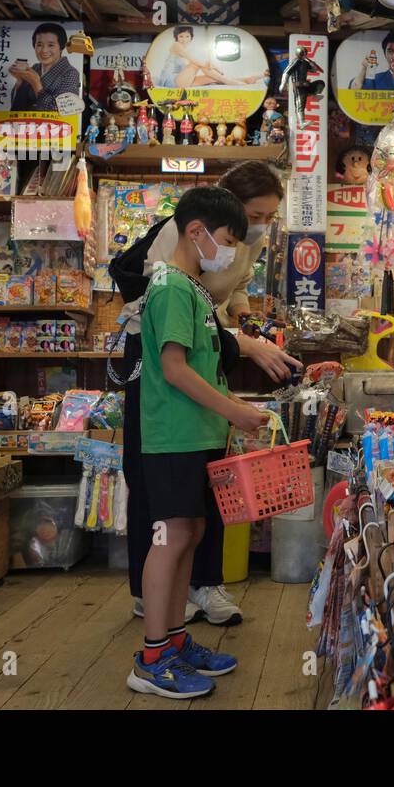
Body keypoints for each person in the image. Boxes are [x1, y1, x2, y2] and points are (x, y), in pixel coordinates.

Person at [123, 162, 302, 627]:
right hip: (169, 392)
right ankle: (157, 622)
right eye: (250, 220)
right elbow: (173, 360)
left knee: (199, 509)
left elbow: (235, 289)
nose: (255, 231)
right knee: (167, 513)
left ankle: (195, 599)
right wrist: (234, 402)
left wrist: (242, 326)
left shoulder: (218, 259)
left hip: (201, 377)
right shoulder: (172, 277)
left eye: (266, 219)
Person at [125, 187, 269, 699]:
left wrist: (229, 417)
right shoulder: (168, 287)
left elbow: (206, 362)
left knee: (190, 532)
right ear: (196, 231)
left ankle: (177, 641)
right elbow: (173, 368)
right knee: (169, 537)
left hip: (198, 434)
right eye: (228, 240)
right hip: (172, 438)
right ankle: (151, 657)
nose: (230, 252)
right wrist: (234, 411)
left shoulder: (195, 289)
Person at [157, 25, 267, 88]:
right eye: (181, 36)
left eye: (187, 36)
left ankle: (246, 80)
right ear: (176, 37)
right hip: (171, 81)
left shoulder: (185, 48)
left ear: (191, 37)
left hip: (181, 80)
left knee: (211, 78)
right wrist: (214, 67)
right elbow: (195, 61)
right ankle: (232, 81)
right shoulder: (176, 45)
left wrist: (211, 66)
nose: (184, 39)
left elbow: (196, 62)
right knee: (196, 64)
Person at [8, 23, 82, 112]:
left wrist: (36, 83)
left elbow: (62, 110)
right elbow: (16, 108)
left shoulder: (70, 73)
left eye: (51, 45)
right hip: (27, 124)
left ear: (61, 47)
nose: (44, 50)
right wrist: (19, 81)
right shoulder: (35, 68)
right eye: (39, 45)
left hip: (52, 126)